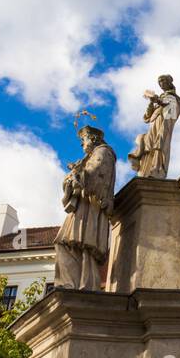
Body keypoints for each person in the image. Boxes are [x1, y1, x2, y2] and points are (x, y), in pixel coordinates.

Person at [54, 124, 117, 291]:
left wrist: (76, 175)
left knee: (84, 246)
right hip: (81, 207)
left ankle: (85, 286)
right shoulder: (88, 157)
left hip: (90, 208)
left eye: (84, 141)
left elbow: (96, 177)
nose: (82, 145)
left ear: (93, 139)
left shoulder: (103, 152)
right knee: (64, 243)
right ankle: (70, 284)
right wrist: (71, 178)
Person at [128, 74, 180, 179]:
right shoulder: (161, 97)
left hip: (163, 123)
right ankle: (146, 169)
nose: (161, 84)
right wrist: (151, 102)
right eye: (159, 82)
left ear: (169, 82)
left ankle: (156, 169)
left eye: (163, 81)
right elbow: (147, 117)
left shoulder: (173, 97)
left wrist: (157, 101)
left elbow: (171, 111)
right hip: (154, 124)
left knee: (158, 145)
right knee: (145, 142)